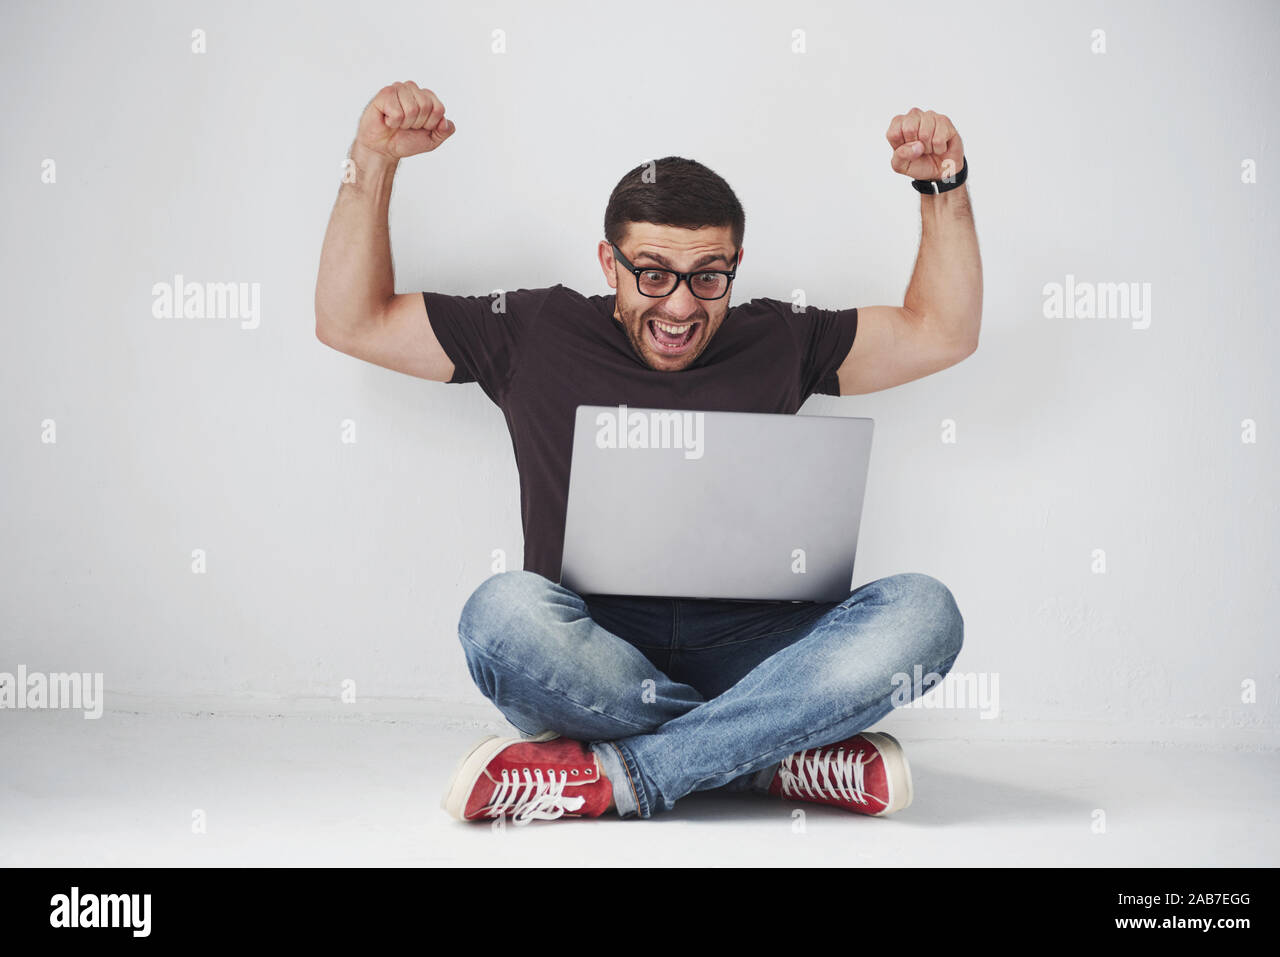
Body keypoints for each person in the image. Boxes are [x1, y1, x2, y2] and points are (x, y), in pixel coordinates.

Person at [315, 81, 982, 825]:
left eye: (708, 276)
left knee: (925, 612)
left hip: (759, 654)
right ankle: (769, 755)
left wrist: (942, 187)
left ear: (734, 264)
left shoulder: (781, 338)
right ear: (609, 262)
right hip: (594, 655)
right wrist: (372, 160)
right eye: (653, 273)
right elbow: (353, 321)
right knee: (498, 616)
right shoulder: (530, 329)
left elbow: (940, 332)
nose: (680, 304)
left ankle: (626, 775)